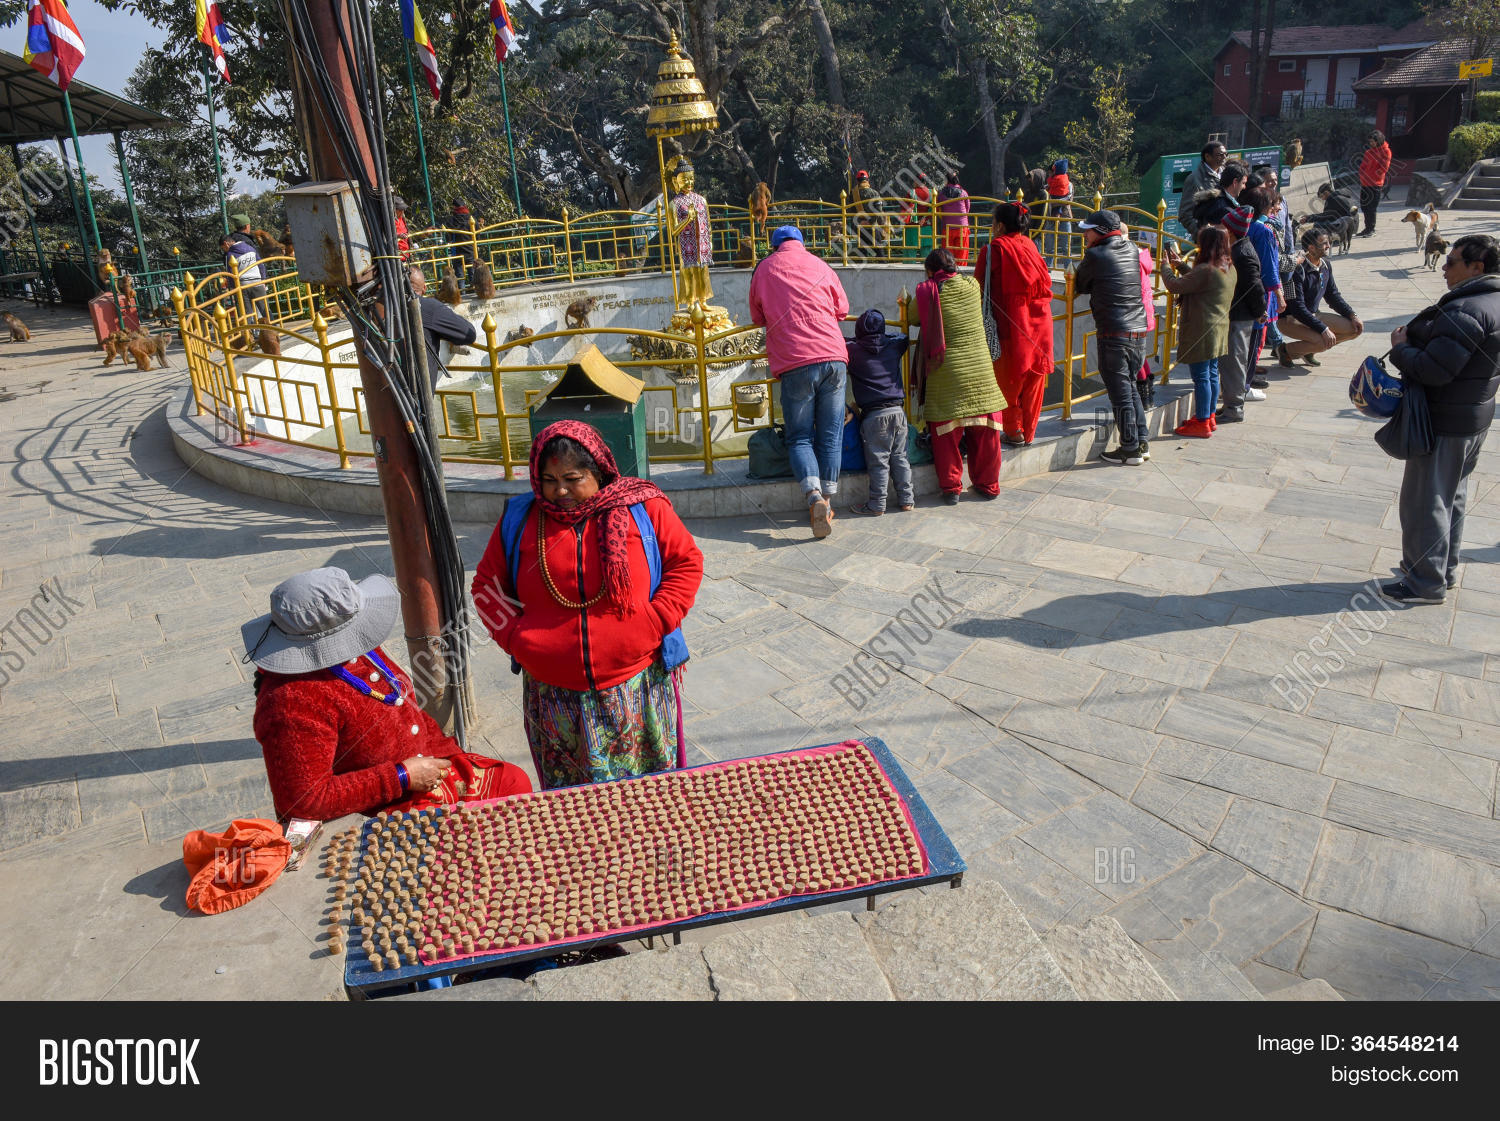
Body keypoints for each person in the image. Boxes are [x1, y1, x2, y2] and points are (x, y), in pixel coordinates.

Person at [472, 421, 704, 787]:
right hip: (554, 698)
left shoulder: (643, 507)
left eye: (572, 477)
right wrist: (517, 638)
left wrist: (657, 619)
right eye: (548, 480)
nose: (560, 490)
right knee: (574, 809)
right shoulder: (522, 519)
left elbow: (685, 562)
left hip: (635, 688)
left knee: (647, 797)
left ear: (598, 473)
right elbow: (487, 587)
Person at [245, 567, 532, 822]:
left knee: (512, 785)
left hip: (422, 773)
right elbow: (304, 801)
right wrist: (401, 777)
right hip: (379, 808)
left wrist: (449, 755)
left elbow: (405, 707)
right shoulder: (290, 703)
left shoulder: (359, 651)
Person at [1382, 235, 1500, 604]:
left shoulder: (1467, 310)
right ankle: (1441, 569)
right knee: (1452, 496)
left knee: (1425, 501)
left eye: (1451, 263)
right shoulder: (1492, 301)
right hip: (1473, 415)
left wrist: (1401, 349)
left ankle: (1424, 582)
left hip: (1445, 418)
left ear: (1476, 268)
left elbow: (1434, 370)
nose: (1444, 269)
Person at [748, 225, 851, 537]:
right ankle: (828, 503)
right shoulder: (821, 265)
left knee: (800, 437)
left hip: (795, 362)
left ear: (775, 246)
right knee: (830, 434)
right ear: (801, 244)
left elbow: (757, 317)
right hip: (834, 357)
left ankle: (814, 497)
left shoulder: (764, 270)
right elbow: (842, 309)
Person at [915, 246, 1008, 502]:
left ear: (930, 271)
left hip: (946, 372)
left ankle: (951, 488)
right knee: (986, 432)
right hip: (981, 370)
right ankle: (988, 485)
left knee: (945, 435)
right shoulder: (972, 285)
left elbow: (914, 316)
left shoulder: (927, 292)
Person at [1072, 209, 1150, 465]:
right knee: (1130, 388)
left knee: (1121, 393)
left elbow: (1081, 283)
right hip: (1138, 331)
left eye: (1089, 230)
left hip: (1113, 333)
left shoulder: (1095, 254)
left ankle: (1129, 449)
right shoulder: (1131, 249)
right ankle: (1141, 441)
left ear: (1101, 232)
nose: (1085, 234)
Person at [975, 201, 1053, 447]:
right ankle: (1029, 431)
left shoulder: (993, 250)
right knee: (1033, 381)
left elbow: (979, 287)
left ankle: (1013, 431)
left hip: (1011, 328)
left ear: (998, 225)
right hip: (1041, 325)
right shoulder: (1030, 245)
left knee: (1008, 382)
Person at [1163, 224, 1235, 438]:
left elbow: (1175, 286)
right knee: (1212, 373)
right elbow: (1199, 283)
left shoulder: (1207, 270)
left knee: (1201, 376)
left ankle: (1203, 422)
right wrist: (1182, 265)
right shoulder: (1228, 266)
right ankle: (1208, 416)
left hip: (1202, 330)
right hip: (1219, 329)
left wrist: (1165, 267)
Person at [845, 309, 915, 516]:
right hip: (898, 412)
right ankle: (907, 500)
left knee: (878, 462)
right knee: (900, 457)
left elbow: (839, 341)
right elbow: (902, 336)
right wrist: (882, 338)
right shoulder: (893, 346)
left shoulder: (852, 350)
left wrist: (857, 340)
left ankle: (877, 504)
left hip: (874, 416)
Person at [1277, 227, 1364, 367]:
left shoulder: (1325, 266)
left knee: (1355, 329)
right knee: (1323, 341)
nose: (1329, 246)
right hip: (1291, 319)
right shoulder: (1298, 269)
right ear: (1311, 248)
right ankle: (1285, 350)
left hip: (1313, 314)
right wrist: (1323, 329)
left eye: (1328, 242)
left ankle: (1309, 349)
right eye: (1324, 243)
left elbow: (1333, 295)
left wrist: (1352, 315)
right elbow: (1297, 308)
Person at [1216, 206, 1267, 424]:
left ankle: (1234, 407)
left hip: (1240, 315)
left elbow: (1255, 287)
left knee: (1235, 361)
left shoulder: (1243, 254)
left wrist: (1260, 311)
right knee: (1229, 361)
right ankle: (1230, 404)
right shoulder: (1237, 249)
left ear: (1232, 232)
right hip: (1235, 314)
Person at [407, 264, 476, 388]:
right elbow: (469, 334)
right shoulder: (429, 307)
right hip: (418, 394)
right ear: (424, 288)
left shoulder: (384, 308)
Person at [667, 157, 714, 304]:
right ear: (676, 181)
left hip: (702, 245)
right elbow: (673, 231)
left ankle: (703, 300)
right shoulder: (674, 204)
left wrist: (710, 241)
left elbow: (708, 224)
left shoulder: (701, 200)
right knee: (688, 273)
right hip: (686, 246)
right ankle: (690, 302)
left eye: (691, 179)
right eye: (685, 179)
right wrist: (687, 220)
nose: (689, 183)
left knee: (702, 271)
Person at [222, 213, 269, 322]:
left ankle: (252, 333)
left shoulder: (231, 241)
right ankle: (269, 330)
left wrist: (233, 287)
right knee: (263, 309)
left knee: (247, 312)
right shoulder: (246, 243)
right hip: (255, 281)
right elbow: (259, 262)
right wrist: (263, 279)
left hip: (240, 283)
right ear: (247, 226)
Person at [1178, 141, 1228, 238]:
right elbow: (1185, 214)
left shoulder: (1227, 174)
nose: (1224, 157)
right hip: (1209, 239)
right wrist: (1202, 234)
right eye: (1220, 155)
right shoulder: (1194, 179)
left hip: (1227, 236)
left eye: (1226, 154)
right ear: (1207, 156)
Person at [1190, 161, 1249, 232]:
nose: (1244, 187)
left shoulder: (1213, 199)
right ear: (1235, 182)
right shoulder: (1224, 209)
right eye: (1243, 183)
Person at [1356, 130, 1392, 238]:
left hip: (1375, 184)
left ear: (1378, 140)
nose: (1371, 143)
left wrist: (1373, 177)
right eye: (1370, 141)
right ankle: (1367, 228)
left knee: (1371, 207)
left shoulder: (1386, 151)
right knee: (1364, 206)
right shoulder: (1369, 152)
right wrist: (1363, 176)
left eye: (1373, 142)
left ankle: (1371, 229)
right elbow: (1362, 166)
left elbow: (1384, 168)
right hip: (1365, 183)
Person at [936, 171, 972, 266]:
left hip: (947, 228)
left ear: (947, 180)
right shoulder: (963, 193)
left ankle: (949, 275)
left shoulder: (941, 194)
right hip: (962, 228)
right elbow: (967, 209)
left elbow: (937, 209)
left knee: (947, 257)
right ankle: (961, 276)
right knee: (962, 255)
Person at [393, 194, 412, 259]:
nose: (402, 212)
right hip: (397, 258)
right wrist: (398, 235)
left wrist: (425, 234)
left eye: (403, 209)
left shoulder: (402, 219)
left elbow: (409, 237)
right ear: (393, 210)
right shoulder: (390, 222)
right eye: (400, 210)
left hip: (407, 256)